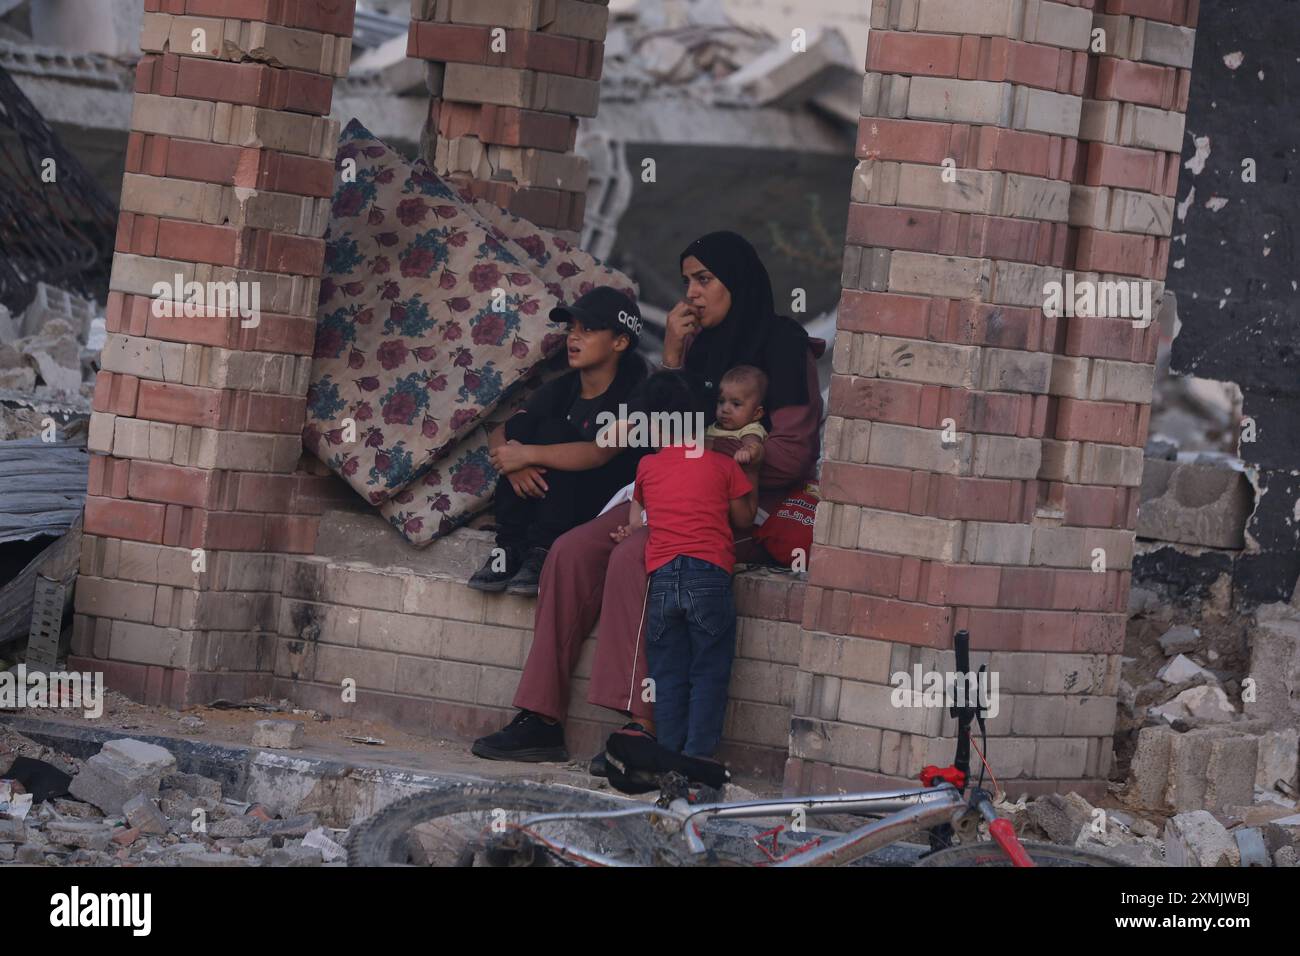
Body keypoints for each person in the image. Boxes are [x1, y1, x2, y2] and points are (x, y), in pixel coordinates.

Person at [472, 231, 823, 763]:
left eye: (704, 279)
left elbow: (793, 454)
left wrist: (703, 451)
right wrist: (678, 356)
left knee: (636, 557)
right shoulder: (697, 345)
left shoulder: (782, 341)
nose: (693, 294)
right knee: (569, 553)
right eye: (686, 282)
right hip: (661, 493)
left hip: (735, 502)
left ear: (738, 280)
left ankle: (643, 725)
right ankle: (541, 718)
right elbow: (653, 428)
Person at [612, 371, 757, 758]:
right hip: (708, 576)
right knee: (708, 672)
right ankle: (696, 762)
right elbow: (744, 518)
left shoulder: (647, 467)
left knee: (668, 675)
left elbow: (637, 521)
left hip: (661, 580)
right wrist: (751, 472)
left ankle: (667, 758)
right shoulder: (722, 465)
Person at [467, 286, 648, 596]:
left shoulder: (636, 392)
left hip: (600, 504)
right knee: (526, 425)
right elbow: (503, 431)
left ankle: (543, 551)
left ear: (620, 341)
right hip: (552, 499)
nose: (573, 338)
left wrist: (527, 456)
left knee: (556, 435)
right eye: (571, 329)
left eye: (588, 329)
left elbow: (598, 453)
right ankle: (508, 549)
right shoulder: (563, 387)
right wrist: (513, 463)